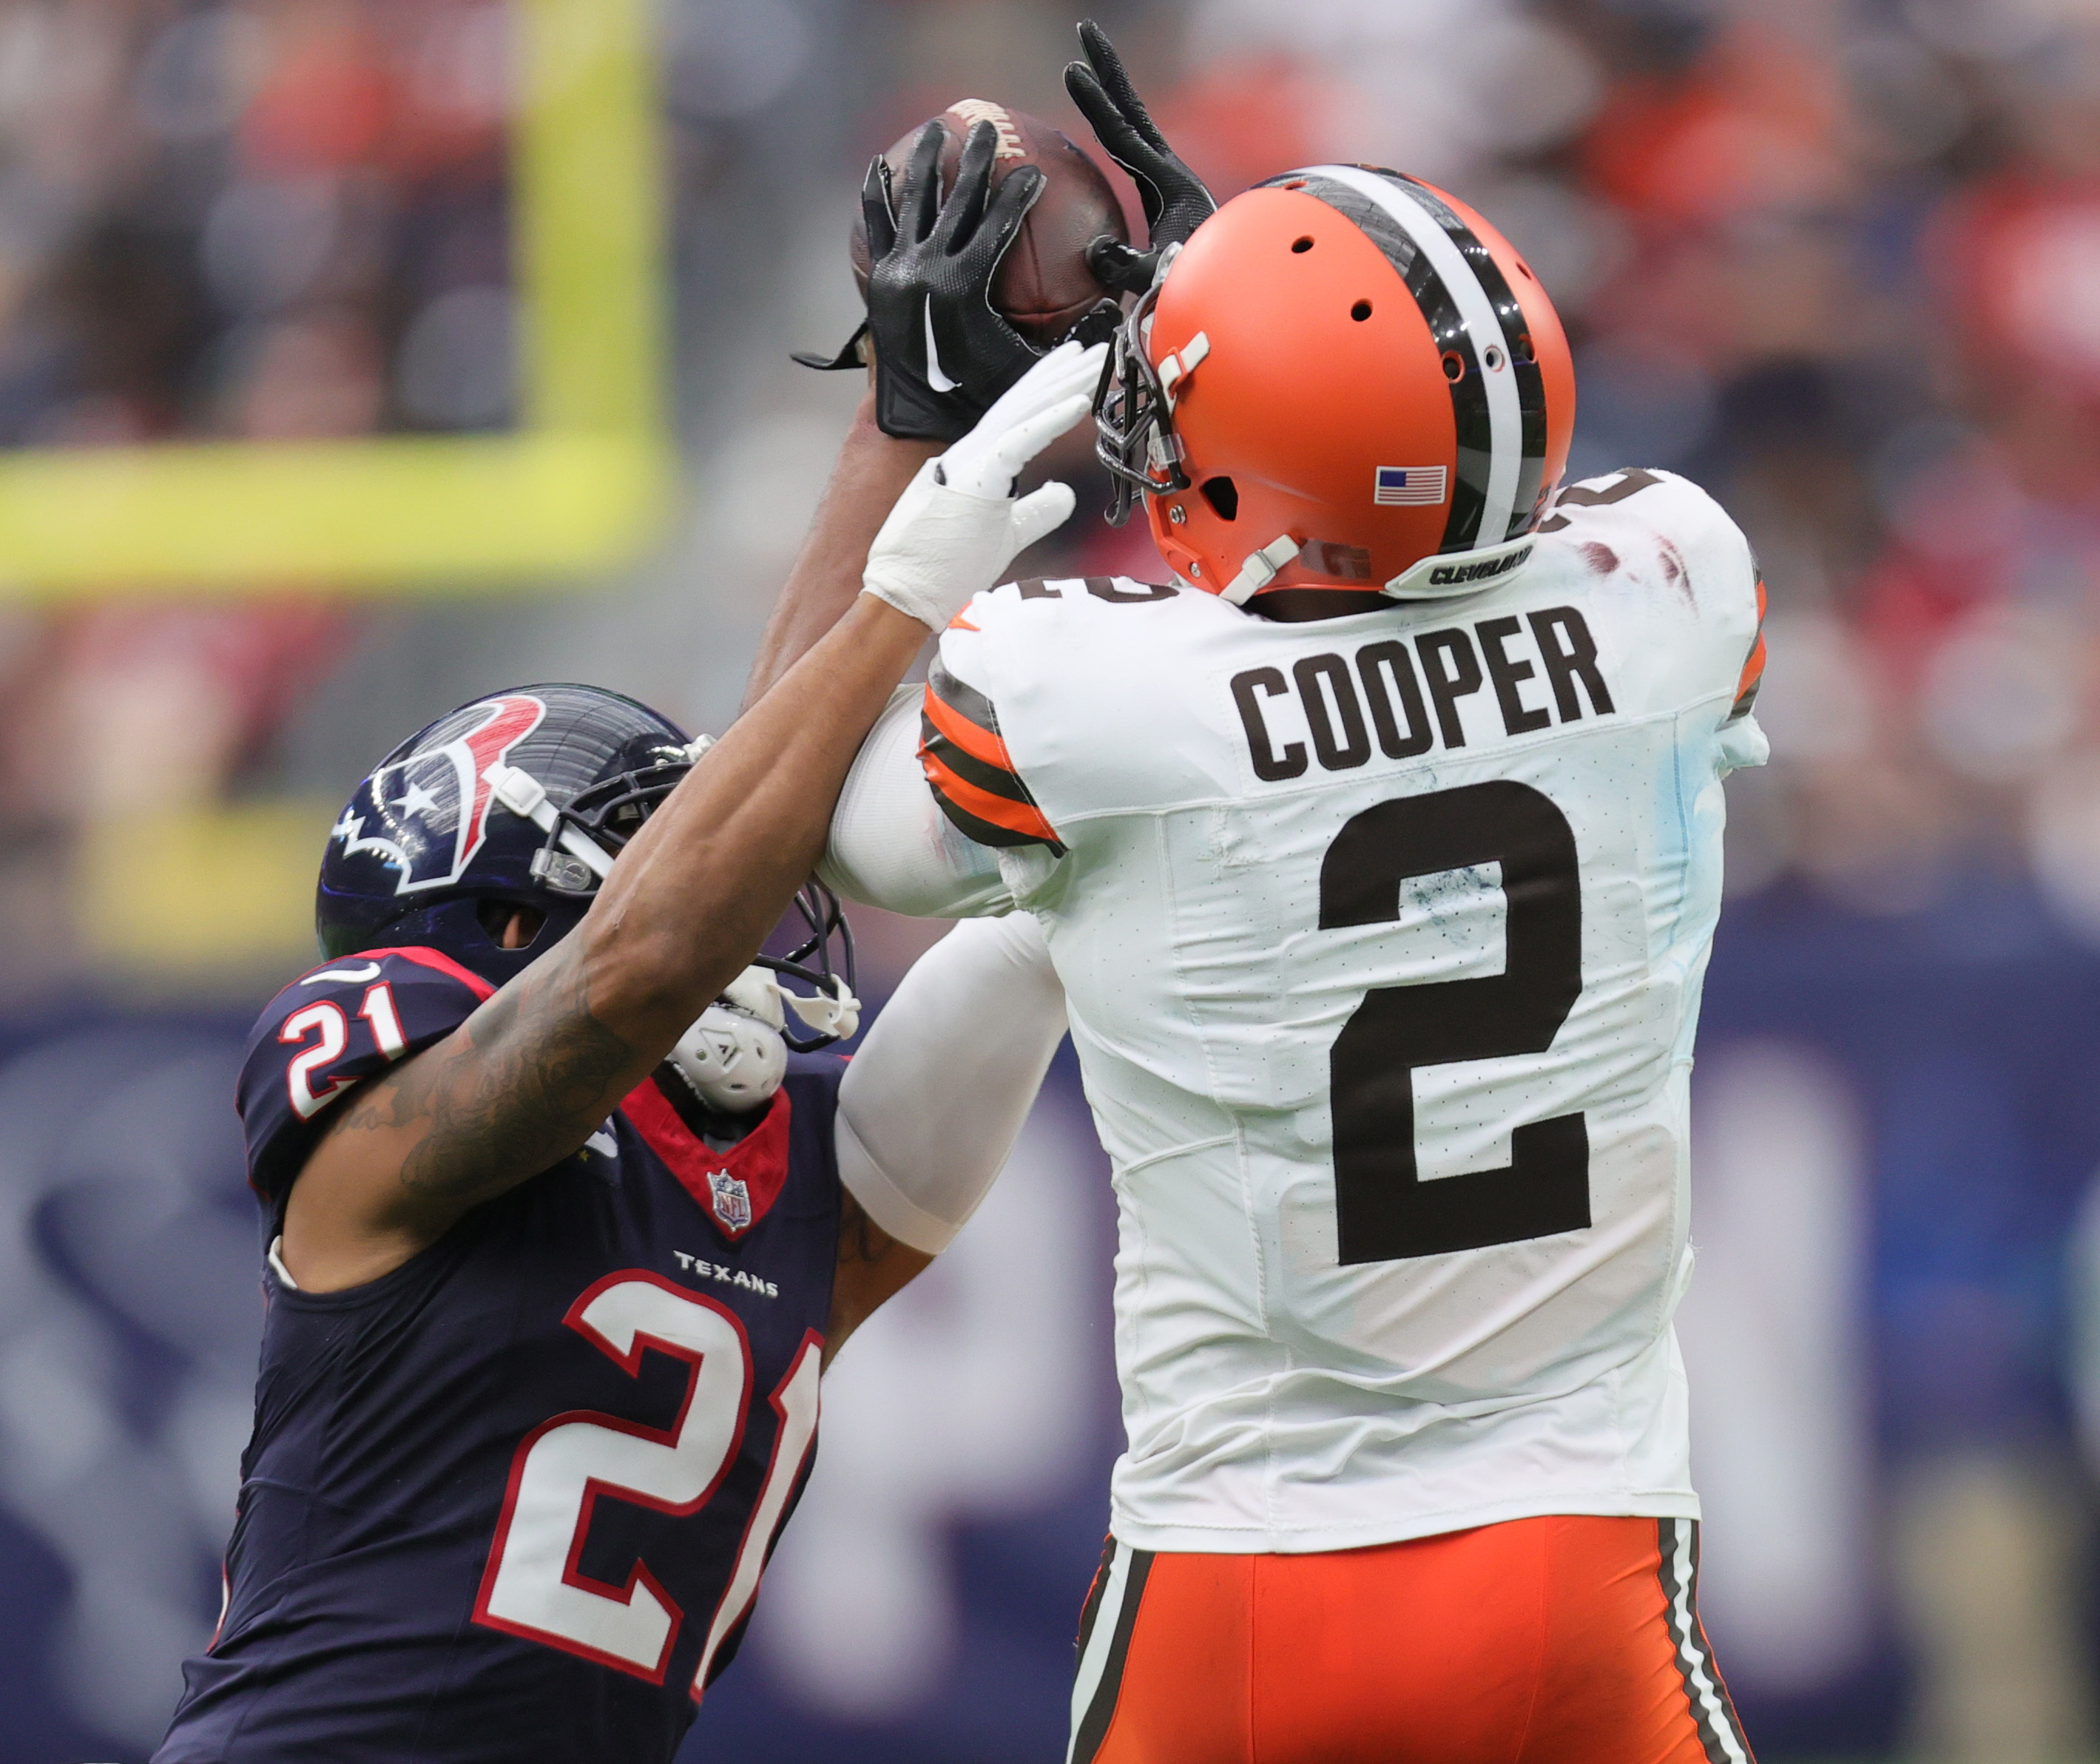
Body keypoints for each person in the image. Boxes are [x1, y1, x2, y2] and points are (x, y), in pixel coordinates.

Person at [818, 23, 1769, 1764]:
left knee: (1036, 918)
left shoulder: (1088, 699)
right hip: (1584, 1553)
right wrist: (1238, 331)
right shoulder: (1676, 587)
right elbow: (1436, 509)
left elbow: (815, 811)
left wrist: (917, 446)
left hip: (1238, 1585)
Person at [153, 124, 1104, 1763]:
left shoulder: (755, 1187)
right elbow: (637, 963)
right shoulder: (379, 1130)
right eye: (628, 855)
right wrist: (911, 593)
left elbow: (741, 829)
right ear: (512, 924)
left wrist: (912, 409)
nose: (739, 895)